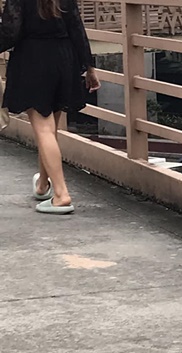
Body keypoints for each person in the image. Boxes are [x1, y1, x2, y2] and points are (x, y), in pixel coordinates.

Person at [0, 0, 100, 214]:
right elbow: (76, 28)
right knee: (50, 129)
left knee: (43, 129)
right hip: (64, 59)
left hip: (33, 59)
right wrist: (90, 68)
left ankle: (61, 194)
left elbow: (11, 32)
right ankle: (43, 184)